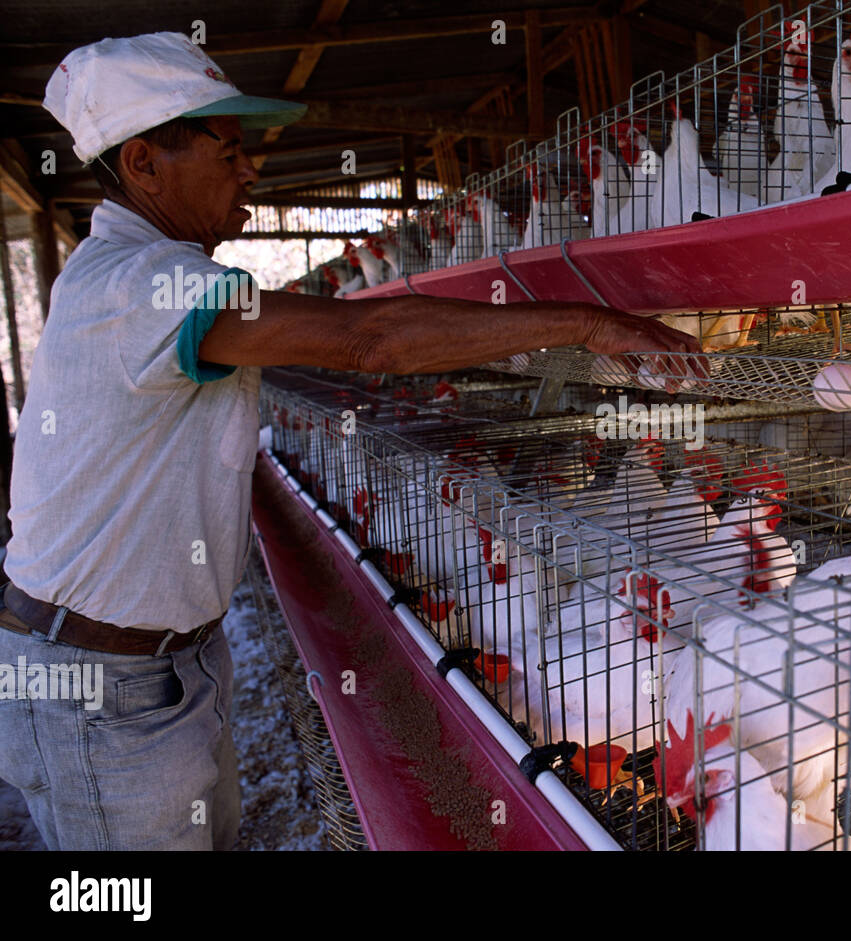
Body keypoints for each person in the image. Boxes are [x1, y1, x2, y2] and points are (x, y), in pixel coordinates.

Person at [0, 31, 701, 850]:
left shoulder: (142, 276)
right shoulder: (145, 284)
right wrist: (588, 322)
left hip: (153, 666)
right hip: (102, 688)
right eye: (228, 150)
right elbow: (369, 341)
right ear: (146, 163)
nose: (250, 169)